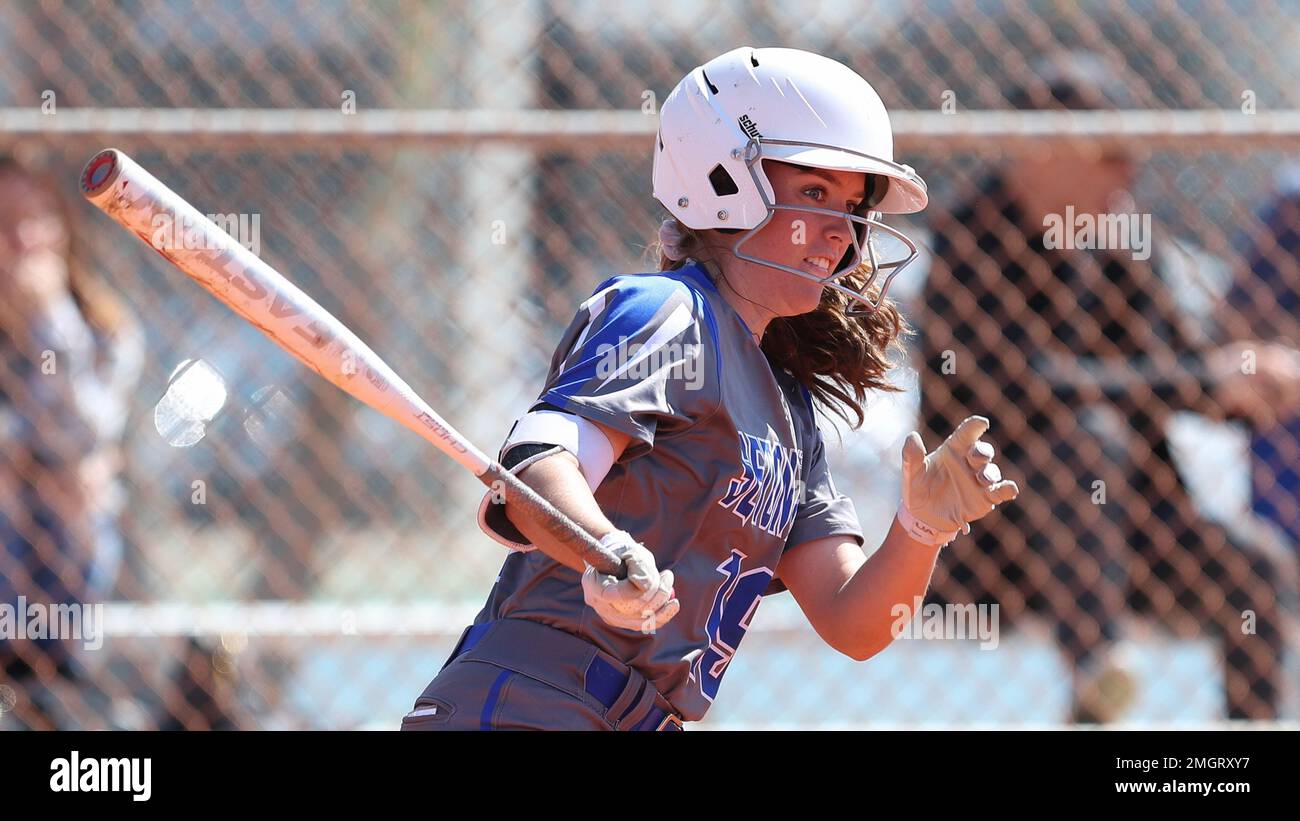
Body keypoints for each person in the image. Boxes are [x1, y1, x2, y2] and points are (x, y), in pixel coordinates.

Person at [401, 46, 1018, 731]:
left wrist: (921, 528)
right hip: (533, 701)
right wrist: (606, 549)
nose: (841, 233)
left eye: (851, 207)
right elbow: (539, 466)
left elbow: (854, 621)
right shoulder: (667, 311)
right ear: (723, 180)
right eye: (814, 193)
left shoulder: (789, 408)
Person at [919, 53, 1300, 722]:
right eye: (1112, 152)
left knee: (1254, 566)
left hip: (1133, 535)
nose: (1132, 170)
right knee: (1084, 440)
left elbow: (1177, 367)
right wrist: (1200, 378)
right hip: (994, 546)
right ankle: (1099, 687)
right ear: (1044, 153)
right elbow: (1026, 386)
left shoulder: (1118, 234)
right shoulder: (970, 239)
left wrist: (1244, 382)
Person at [0, 155, 143, 729]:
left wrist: (48, 324)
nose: (24, 240)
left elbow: (83, 434)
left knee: (84, 483)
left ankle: (57, 668)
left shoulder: (102, 331)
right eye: (5, 223)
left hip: (65, 560)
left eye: (38, 219)